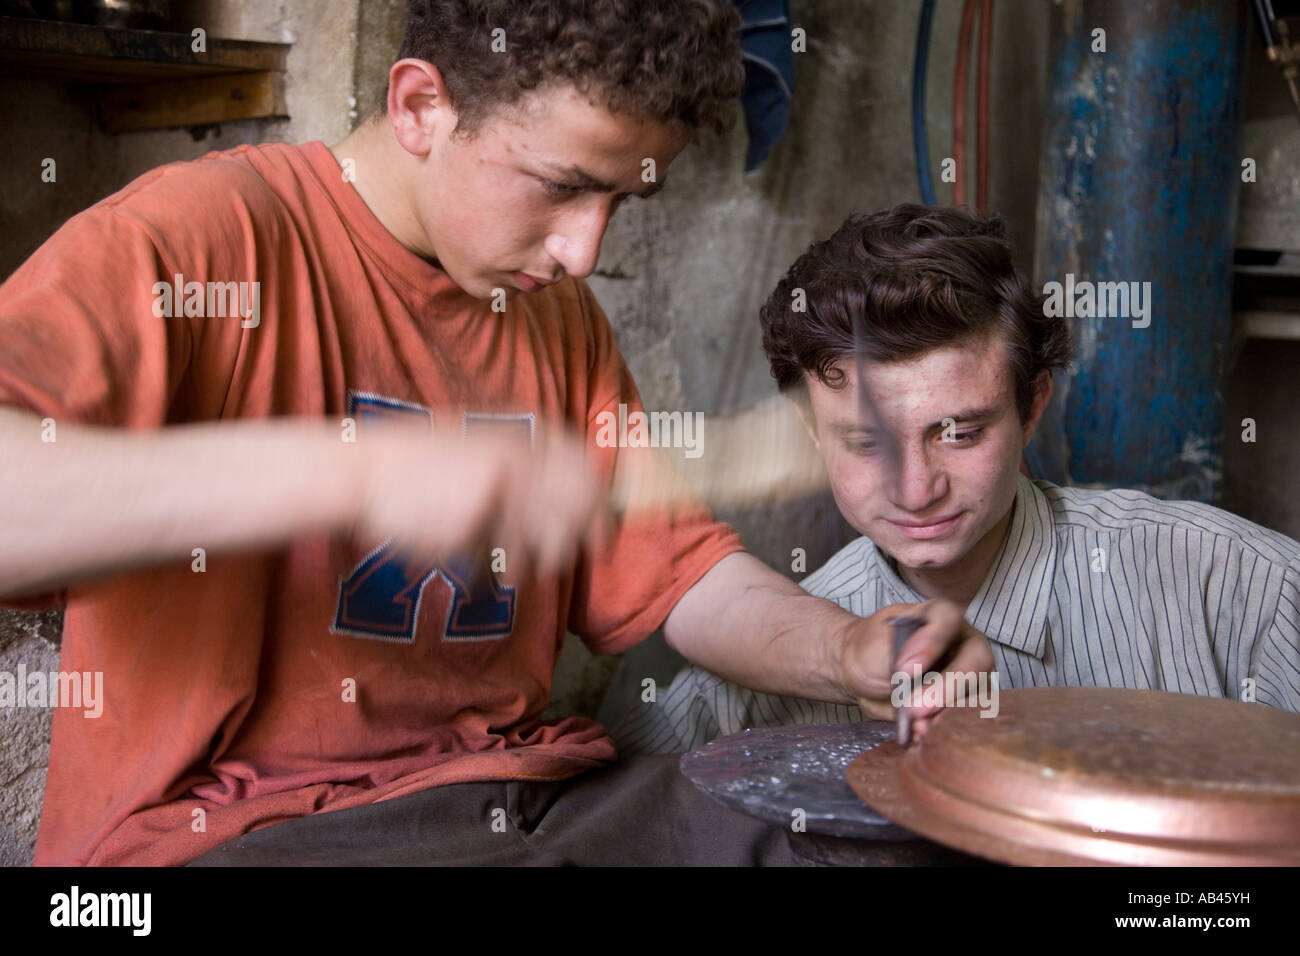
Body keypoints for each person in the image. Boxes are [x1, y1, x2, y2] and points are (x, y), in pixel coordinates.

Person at [0, 4, 990, 866]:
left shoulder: (554, 316)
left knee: (910, 830)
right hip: (237, 828)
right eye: (562, 185)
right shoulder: (199, 235)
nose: (584, 249)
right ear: (421, 105)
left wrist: (851, 648)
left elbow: (678, 576)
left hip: (530, 805)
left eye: (621, 199)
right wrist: (349, 471)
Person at [615, 203, 1300, 756]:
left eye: (961, 432)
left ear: (1032, 408)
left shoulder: (1242, 590)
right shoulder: (762, 672)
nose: (915, 490)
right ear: (811, 438)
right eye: (863, 443)